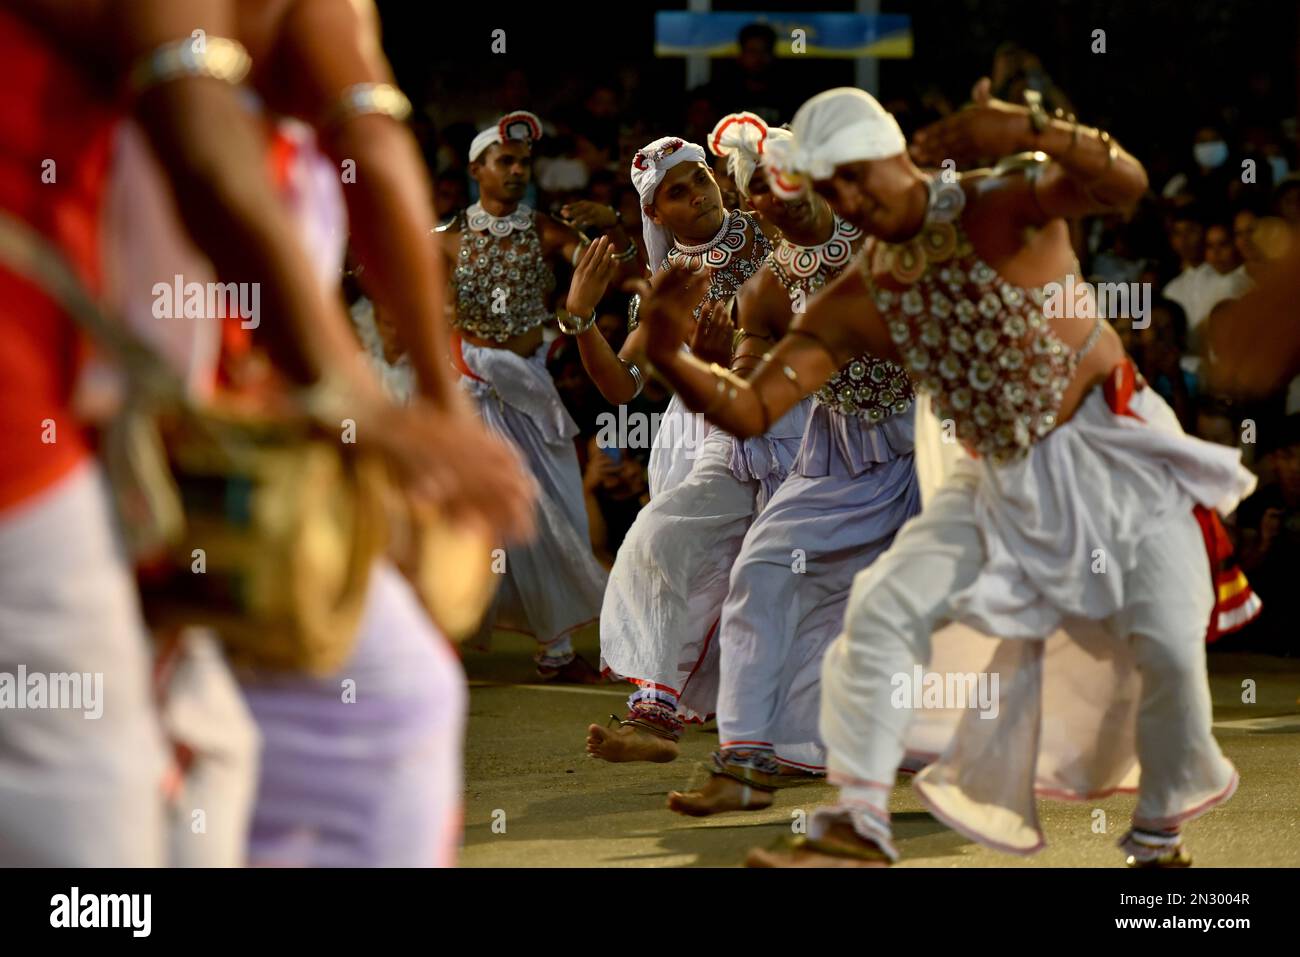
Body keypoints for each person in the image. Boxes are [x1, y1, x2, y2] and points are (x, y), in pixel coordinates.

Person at [636, 84, 1257, 867]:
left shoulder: (995, 200)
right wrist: (670, 354)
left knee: (1164, 648)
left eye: (862, 173)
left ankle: (1159, 833)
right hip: (989, 474)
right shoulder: (855, 295)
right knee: (886, 614)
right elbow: (755, 407)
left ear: (899, 152)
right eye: (836, 186)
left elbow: (1121, 185)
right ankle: (856, 821)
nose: (855, 197)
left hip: (1112, 451)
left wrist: (1034, 127)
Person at [658, 113, 921, 815]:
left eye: (794, 174)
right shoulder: (767, 291)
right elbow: (750, 404)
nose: (784, 192)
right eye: (764, 186)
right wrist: (692, 361)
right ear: (752, 203)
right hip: (836, 456)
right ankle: (744, 759)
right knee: (765, 568)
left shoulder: (890, 234)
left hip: (932, 447)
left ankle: (965, 755)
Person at [564, 133, 796, 759]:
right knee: (671, 548)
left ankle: (786, 728)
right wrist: (580, 318)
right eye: (676, 191)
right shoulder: (669, 284)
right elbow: (622, 385)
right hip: (710, 435)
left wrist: (740, 365)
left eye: (699, 178)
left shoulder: (771, 226)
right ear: (655, 215)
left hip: (803, 426)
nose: (697, 194)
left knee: (780, 577)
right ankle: (658, 709)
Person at [435, 110, 638, 681]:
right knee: (470, 516)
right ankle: (445, 637)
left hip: (530, 388)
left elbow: (618, 274)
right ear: (477, 167)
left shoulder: (548, 230)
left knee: (553, 514)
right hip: (470, 390)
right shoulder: (446, 241)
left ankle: (554, 650)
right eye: (506, 161)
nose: (518, 171)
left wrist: (615, 228)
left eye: (525, 163)